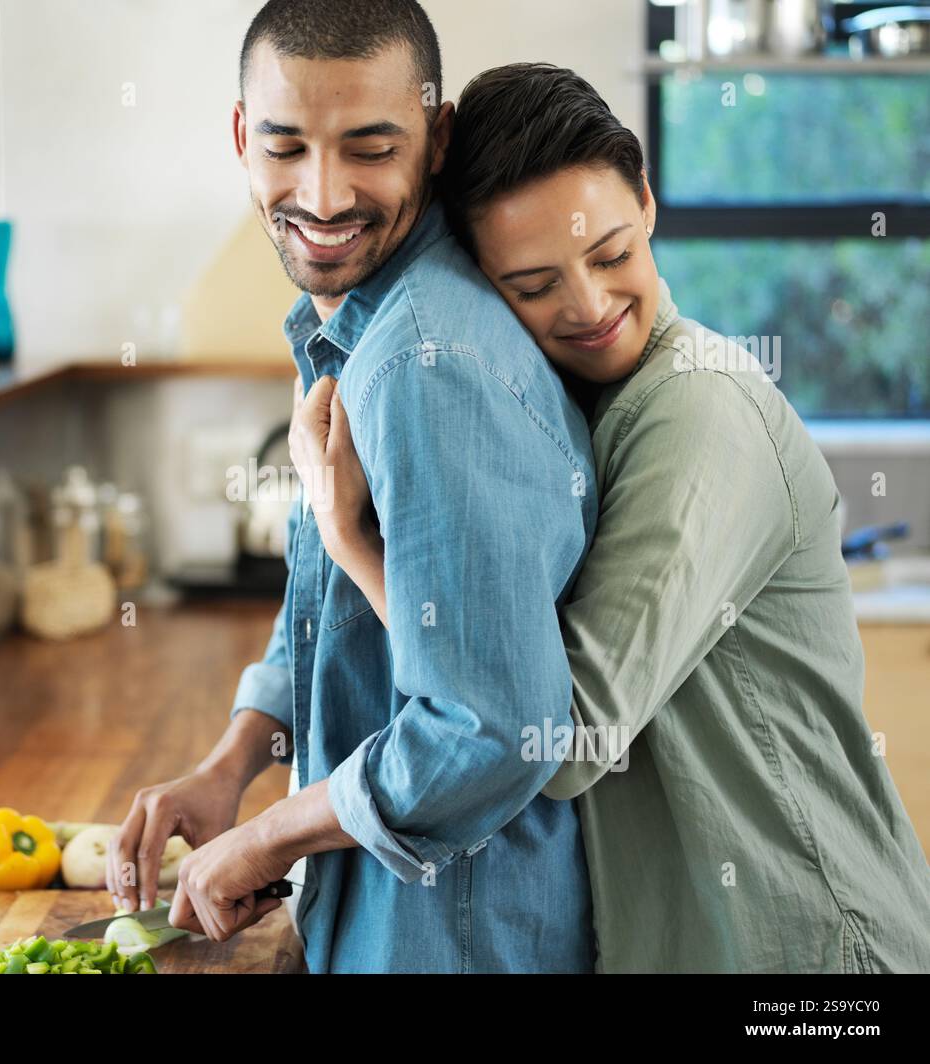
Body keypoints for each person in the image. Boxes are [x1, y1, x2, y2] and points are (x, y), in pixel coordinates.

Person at [289, 62, 930, 972]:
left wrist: (352, 545)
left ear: (648, 203)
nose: (589, 307)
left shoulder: (700, 411)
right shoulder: (566, 402)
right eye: (534, 282)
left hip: (819, 961)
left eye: (612, 253)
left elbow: (562, 737)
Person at [107, 1, 599, 973]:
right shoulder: (350, 320)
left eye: (370, 149)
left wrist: (264, 836)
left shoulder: (424, 359)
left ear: (437, 137)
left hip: (446, 937)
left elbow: (490, 728)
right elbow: (338, 603)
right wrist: (233, 760)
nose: (323, 196)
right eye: (286, 147)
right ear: (241, 137)